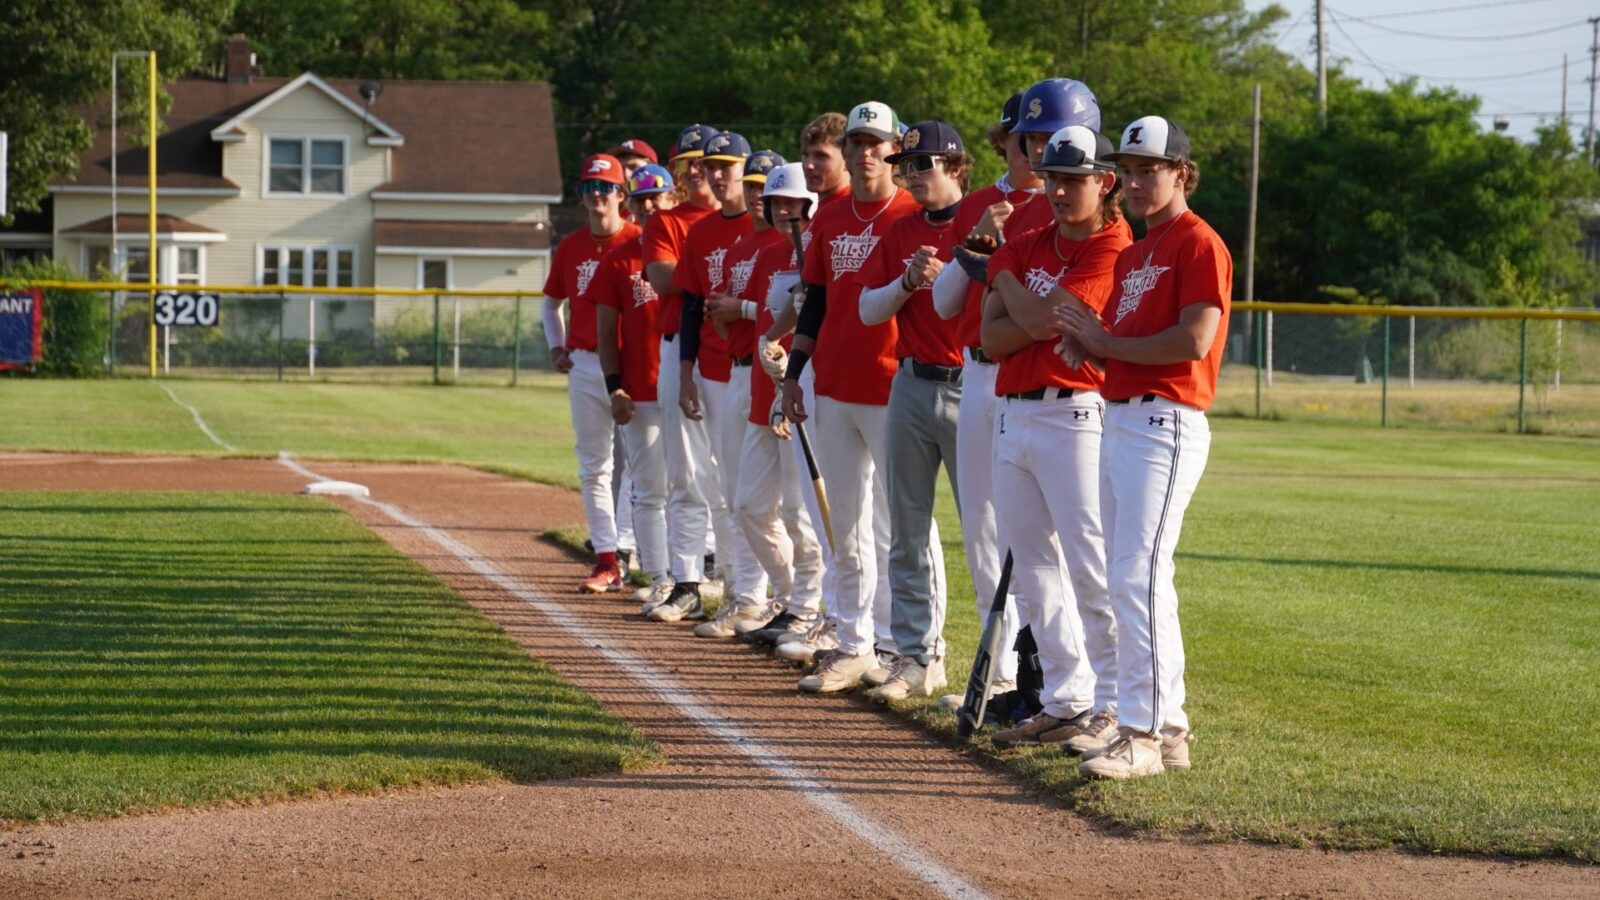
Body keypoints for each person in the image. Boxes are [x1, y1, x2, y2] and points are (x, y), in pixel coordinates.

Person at [1055, 116, 1232, 780]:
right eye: (1127, 169)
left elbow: (1194, 340)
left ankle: (1143, 735)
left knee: (1137, 576)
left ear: (1181, 172)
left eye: (1148, 168)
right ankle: (1171, 727)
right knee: (1132, 576)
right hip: (1121, 418)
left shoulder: (1198, 242)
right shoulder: (1135, 253)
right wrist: (1091, 346)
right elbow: (1125, 352)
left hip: (1167, 422)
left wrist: (1105, 345)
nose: (1133, 181)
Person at [979, 125, 1130, 751]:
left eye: (1076, 178)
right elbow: (990, 339)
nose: (1063, 190)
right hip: (1014, 412)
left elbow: (1044, 319)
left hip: (1076, 414)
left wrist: (1006, 282)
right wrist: (1025, 309)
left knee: (1089, 562)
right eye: (1055, 178)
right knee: (1035, 568)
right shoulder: (1028, 239)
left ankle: (1118, 701)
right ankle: (1068, 696)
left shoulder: (1112, 241)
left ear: (1105, 182)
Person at [781, 101, 921, 694]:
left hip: (892, 386)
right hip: (833, 386)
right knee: (848, 523)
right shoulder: (832, 216)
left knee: (899, 526)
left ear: (895, 150)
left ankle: (905, 646)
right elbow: (813, 299)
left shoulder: (912, 213)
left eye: (876, 142)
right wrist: (794, 374)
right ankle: (853, 643)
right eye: (858, 142)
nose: (866, 152)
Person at [853, 120, 973, 701]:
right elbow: (869, 310)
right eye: (908, 166)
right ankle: (915, 655)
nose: (912, 176)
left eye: (924, 164)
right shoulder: (901, 229)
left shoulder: (982, 221)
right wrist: (906, 281)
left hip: (973, 384)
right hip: (911, 381)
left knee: (987, 532)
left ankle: (998, 672)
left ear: (955, 166)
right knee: (904, 525)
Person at [712, 160, 827, 643]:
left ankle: (806, 607)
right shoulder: (768, 253)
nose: (783, 210)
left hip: (805, 388)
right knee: (749, 505)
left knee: (802, 512)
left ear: (810, 203)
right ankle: (788, 596)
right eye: (777, 202)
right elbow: (761, 320)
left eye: (792, 202)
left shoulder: (817, 247)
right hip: (765, 390)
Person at [687, 146, 794, 637]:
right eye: (753, 186)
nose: (758, 196)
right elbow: (725, 320)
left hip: (783, 375)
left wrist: (744, 310)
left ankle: (791, 599)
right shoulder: (739, 249)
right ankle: (752, 596)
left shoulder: (793, 246)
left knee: (790, 505)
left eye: (766, 187)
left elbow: (783, 314)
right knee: (740, 499)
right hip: (739, 371)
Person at [542, 153, 642, 593]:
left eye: (606, 188)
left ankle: (650, 559)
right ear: (581, 198)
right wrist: (555, 346)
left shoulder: (641, 241)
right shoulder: (572, 246)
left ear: (622, 194)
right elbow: (550, 303)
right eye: (589, 188)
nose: (597, 195)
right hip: (584, 362)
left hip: (636, 366)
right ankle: (608, 560)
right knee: (594, 467)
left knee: (645, 466)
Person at [639, 125, 724, 619]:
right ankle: (688, 578)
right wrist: (719, 272)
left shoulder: (748, 216)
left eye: (704, 160)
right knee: (687, 471)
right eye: (687, 161)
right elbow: (662, 277)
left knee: (738, 479)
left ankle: (741, 587)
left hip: (737, 351)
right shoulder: (666, 221)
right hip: (681, 349)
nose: (696, 169)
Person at [592, 165, 680, 611]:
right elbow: (605, 332)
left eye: (657, 196)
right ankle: (662, 579)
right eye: (641, 198)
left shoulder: (687, 250)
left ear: (672, 198)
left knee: (696, 487)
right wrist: (614, 388)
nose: (649, 206)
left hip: (688, 388)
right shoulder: (618, 258)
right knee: (648, 490)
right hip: (640, 392)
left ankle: (697, 579)